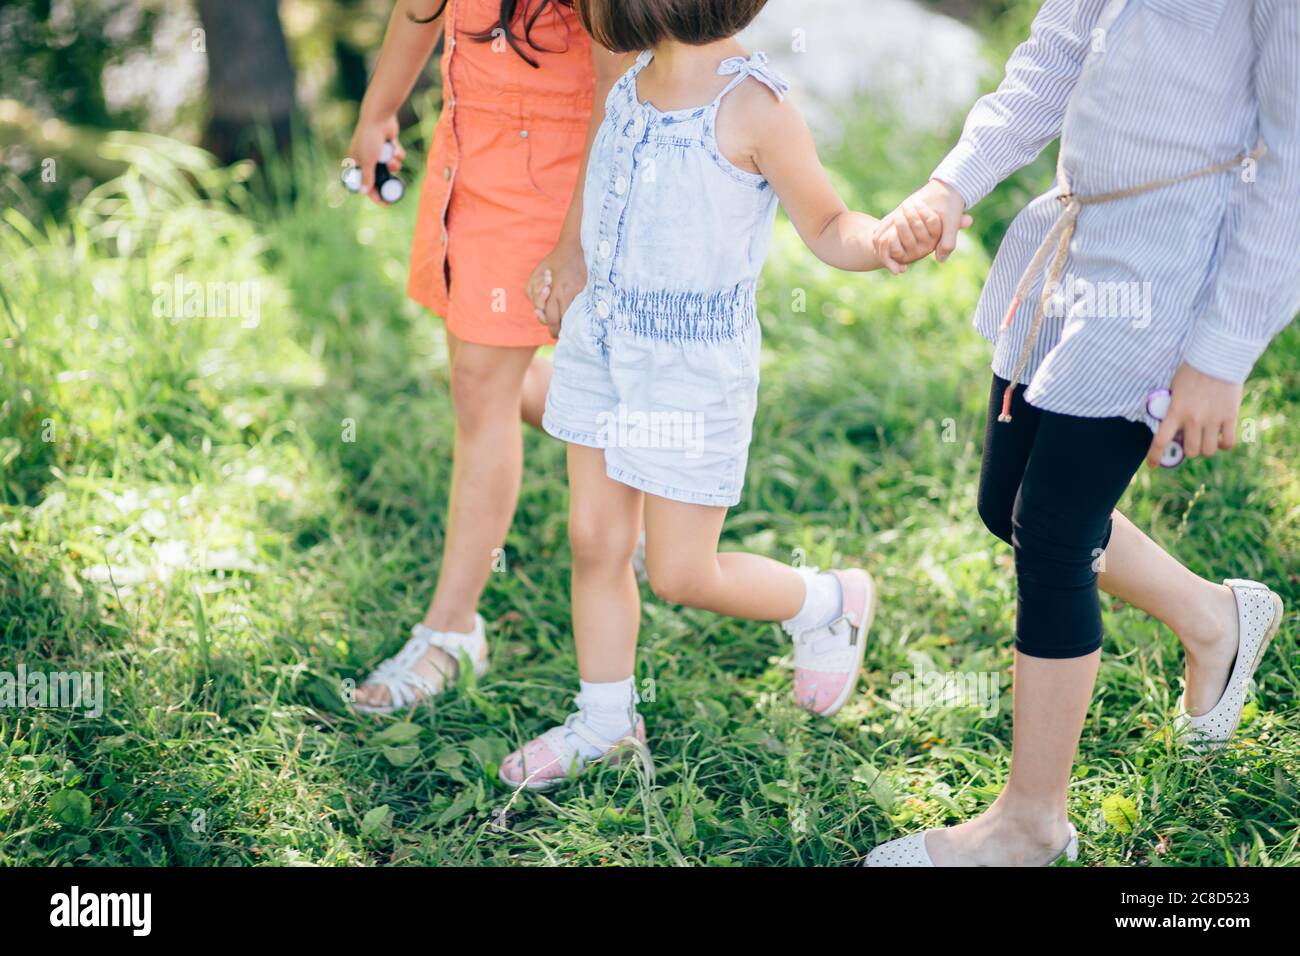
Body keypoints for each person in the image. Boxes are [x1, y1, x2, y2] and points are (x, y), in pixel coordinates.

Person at [865, 0, 1296, 866]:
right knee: (1007, 505)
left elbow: (1292, 166)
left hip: (1169, 274)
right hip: (1077, 240)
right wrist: (953, 183)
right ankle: (1214, 619)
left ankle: (1029, 824)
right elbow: (1052, 58)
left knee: (1055, 536)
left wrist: (1221, 353)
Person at [498, 0, 954, 789]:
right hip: (605, 345)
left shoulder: (756, 106)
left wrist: (882, 241)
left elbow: (829, 221)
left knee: (680, 573)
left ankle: (824, 601)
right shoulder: (630, 84)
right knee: (595, 541)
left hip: (687, 374)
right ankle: (605, 718)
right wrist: (570, 261)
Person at [346, 0, 622, 713]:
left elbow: (619, 84)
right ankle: (638, 467)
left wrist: (574, 242)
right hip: (472, 152)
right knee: (486, 378)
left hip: (568, 176)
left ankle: (452, 629)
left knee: (483, 382)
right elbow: (419, 10)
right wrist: (379, 112)